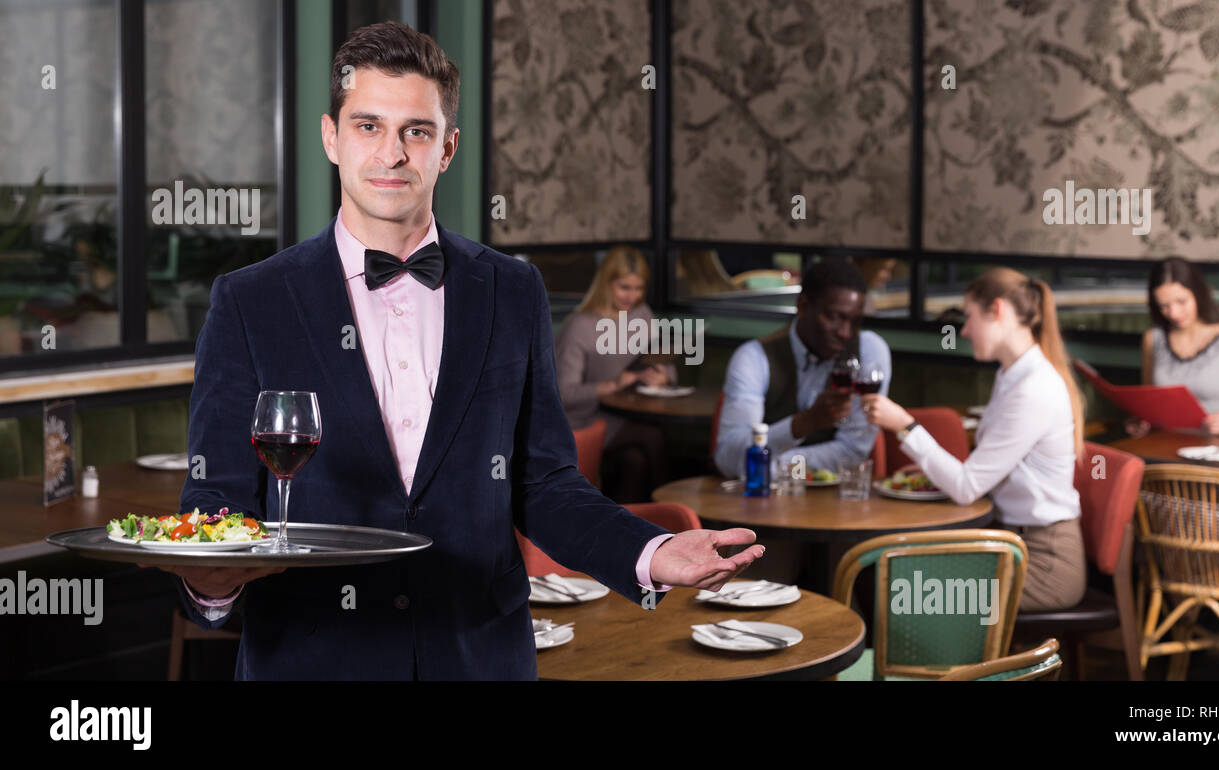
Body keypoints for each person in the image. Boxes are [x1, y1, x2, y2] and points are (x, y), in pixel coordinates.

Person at [144, 22, 763, 680]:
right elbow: (217, 494)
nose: (391, 154)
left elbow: (543, 482)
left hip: (479, 657)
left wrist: (653, 552)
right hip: (312, 658)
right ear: (331, 137)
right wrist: (213, 579)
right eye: (368, 126)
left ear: (447, 148)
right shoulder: (250, 301)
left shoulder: (512, 289)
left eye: (416, 130)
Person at [862, 268, 1086, 612]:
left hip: (1044, 562)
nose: (963, 330)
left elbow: (968, 487)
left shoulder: (1034, 390)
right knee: (881, 575)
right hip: (1011, 542)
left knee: (900, 591)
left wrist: (905, 426)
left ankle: (941, 668)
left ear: (997, 311)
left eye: (968, 317)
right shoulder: (1011, 375)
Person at [713, 257, 891, 583]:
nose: (845, 332)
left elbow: (852, 451)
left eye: (855, 321)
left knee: (859, 588)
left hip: (842, 508)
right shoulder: (754, 358)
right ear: (803, 304)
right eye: (835, 318)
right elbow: (730, 458)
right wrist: (803, 424)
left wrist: (768, 466)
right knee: (759, 596)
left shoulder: (870, 352)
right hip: (767, 511)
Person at [554, 245, 676, 503]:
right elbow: (563, 394)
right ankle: (673, 517)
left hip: (629, 416)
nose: (632, 296)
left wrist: (664, 378)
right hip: (585, 419)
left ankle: (633, 532)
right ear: (606, 283)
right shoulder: (580, 326)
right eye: (624, 287)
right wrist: (612, 385)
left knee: (636, 461)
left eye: (639, 288)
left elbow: (664, 363)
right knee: (652, 437)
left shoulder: (642, 315)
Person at [1128, 257, 1219, 437]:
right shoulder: (1152, 339)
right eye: (1164, 306)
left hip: (1217, 448)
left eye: (1181, 302)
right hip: (1163, 445)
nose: (1173, 313)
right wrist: (1141, 421)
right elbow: (1148, 403)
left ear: (1198, 293)